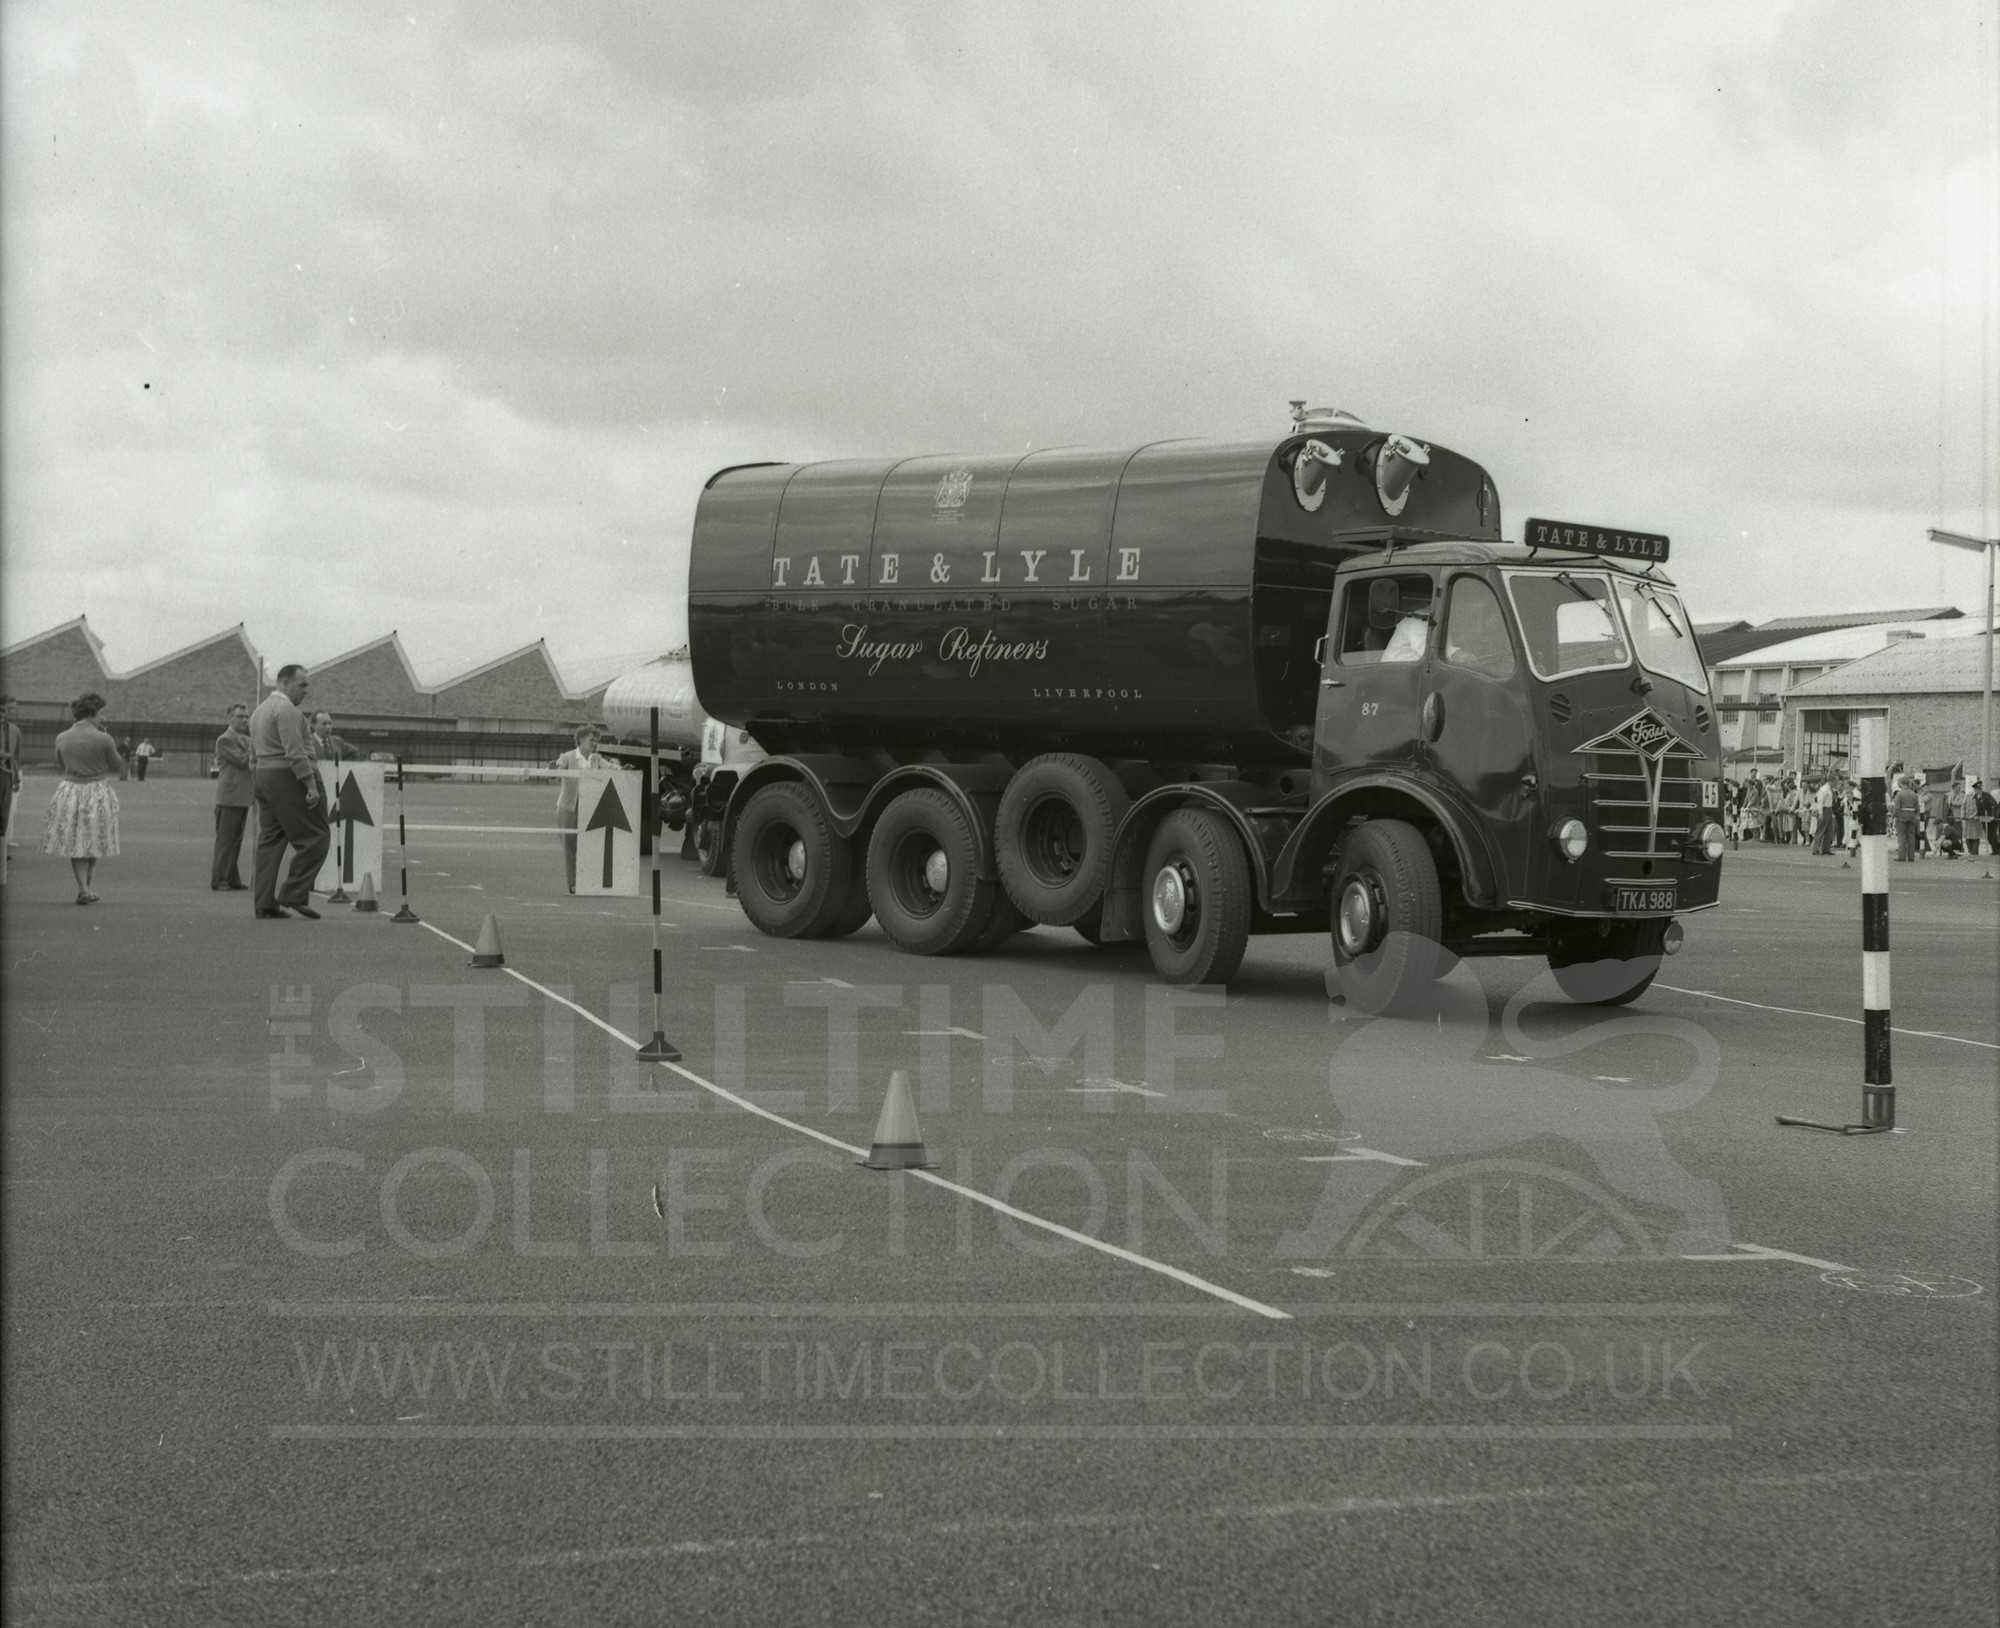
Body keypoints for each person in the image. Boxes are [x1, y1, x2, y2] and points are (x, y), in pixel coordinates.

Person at [249, 665, 331, 919]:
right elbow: (295, 752)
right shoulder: (287, 711)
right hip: (288, 776)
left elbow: (253, 752)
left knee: (271, 839)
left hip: (264, 775)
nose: (306, 690)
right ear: (283, 683)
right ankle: (293, 893)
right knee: (316, 837)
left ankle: (264, 903)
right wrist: (310, 785)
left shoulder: (258, 712)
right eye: (302, 684)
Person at [43, 692, 123, 903]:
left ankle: (83, 887)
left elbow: (60, 763)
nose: (103, 717)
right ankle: (86, 887)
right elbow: (117, 765)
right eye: (101, 713)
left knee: (75, 841)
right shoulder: (104, 738)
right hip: (96, 791)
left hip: (70, 790)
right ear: (92, 712)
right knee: (94, 839)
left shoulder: (61, 737)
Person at [553, 724, 610, 894]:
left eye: (596, 741)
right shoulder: (568, 757)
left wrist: (622, 768)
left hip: (590, 808)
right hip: (568, 808)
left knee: (590, 845)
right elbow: (558, 768)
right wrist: (557, 769)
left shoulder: (597, 759)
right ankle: (573, 883)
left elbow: (611, 769)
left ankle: (588, 880)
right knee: (570, 847)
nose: (594, 744)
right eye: (591, 740)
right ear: (580, 740)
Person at [211, 703, 254, 891]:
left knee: (236, 840)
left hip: (242, 797)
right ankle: (219, 879)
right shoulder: (224, 740)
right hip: (229, 797)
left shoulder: (245, 740)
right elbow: (243, 761)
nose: (245, 720)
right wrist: (256, 746)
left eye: (246, 716)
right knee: (225, 841)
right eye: (240, 716)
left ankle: (231, 878)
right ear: (229, 718)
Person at [0, 694, 21, 851]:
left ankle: (2, 851)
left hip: (8, 776)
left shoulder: (15, 730)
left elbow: (16, 756)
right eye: (10, 708)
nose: (14, 711)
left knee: (4, 816)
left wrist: (17, 777)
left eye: (15, 708)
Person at [1890, 775, 1922, 863]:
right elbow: (1917, 808)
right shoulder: (1914, 794)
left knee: (1902, 837)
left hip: (1901, 817)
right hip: (1912, 817)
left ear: (1901, 784)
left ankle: (1902, 856)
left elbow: (1896, 808)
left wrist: (1893, 816)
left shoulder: (1899, 794)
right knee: (1911, 837)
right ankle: (1911, 857)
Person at [1812, 775, 1836, 855]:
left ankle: (1826, 849)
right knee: (1821, 830)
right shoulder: (1824, 789)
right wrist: (1821, 813)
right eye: (1835, 782)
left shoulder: (1829, 789)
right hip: (1824, 809)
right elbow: (1820, 802)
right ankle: (1815, 849)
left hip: (1829, 809)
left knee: (1829, 831)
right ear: (1831, 781)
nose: (1835, 784)